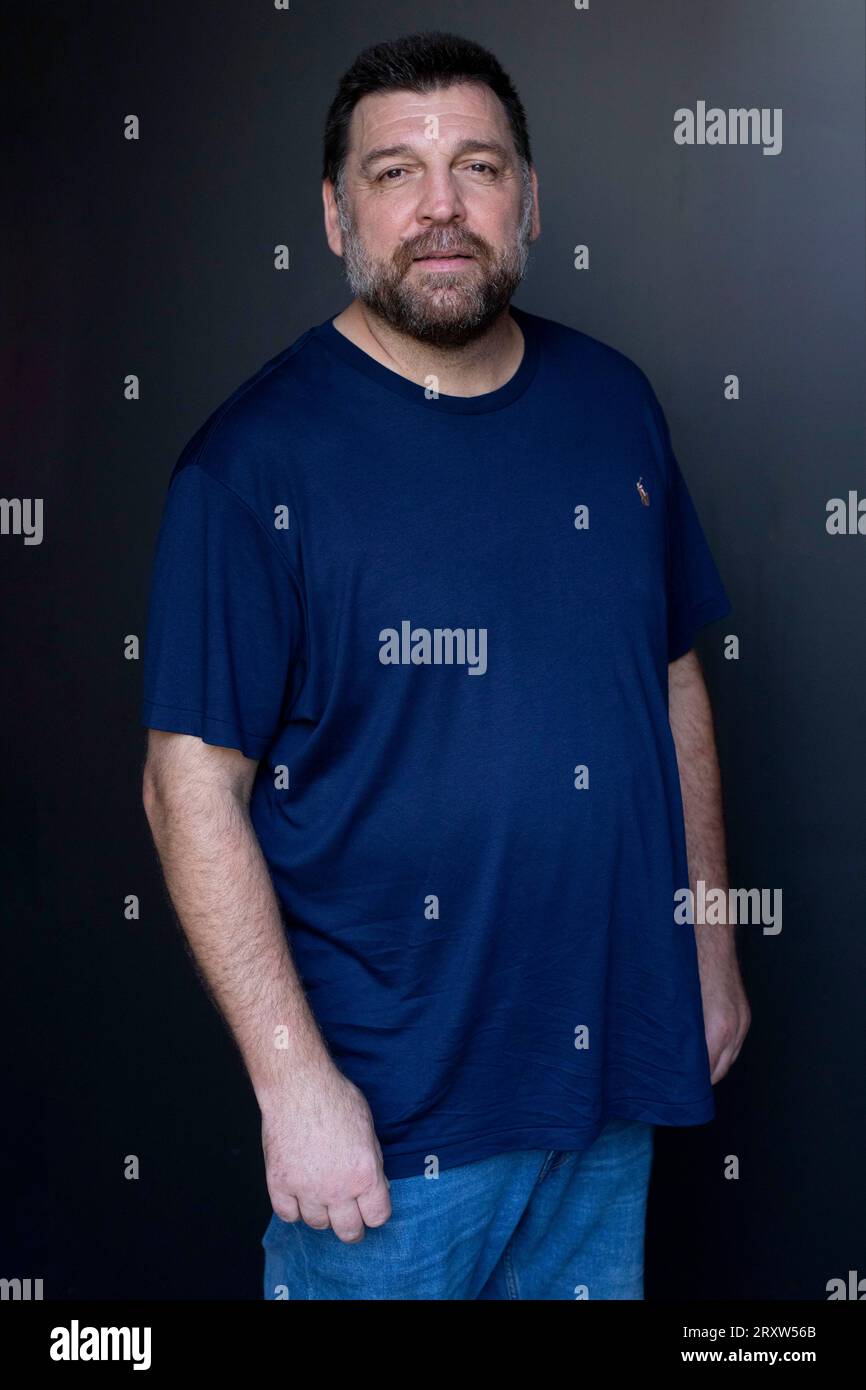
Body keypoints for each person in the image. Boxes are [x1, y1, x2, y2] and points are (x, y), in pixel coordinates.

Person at [140, 30, 750, 1301]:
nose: (438, 208)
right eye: (392, 172)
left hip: (606, 1088)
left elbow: (671, 683)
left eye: (475, 167)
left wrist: (704, 945)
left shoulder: (612, 405)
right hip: (387, 1135)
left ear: (528, 199)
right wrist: (291, 1082)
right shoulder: (251, 467)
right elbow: (186, 786)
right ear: (331, 211)